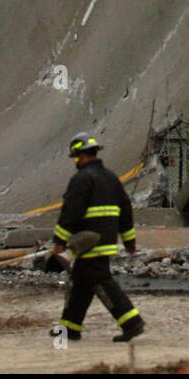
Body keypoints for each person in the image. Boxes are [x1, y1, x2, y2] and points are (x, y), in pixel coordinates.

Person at [47, 132, 145, 342]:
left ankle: (132, 322)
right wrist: (129, 241)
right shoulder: (111, 178)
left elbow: (70, 214)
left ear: (81, 155)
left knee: (102, 281)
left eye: (76, 157)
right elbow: (126, 210)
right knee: (81, 283)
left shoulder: (81, 179)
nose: (75, 162)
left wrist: (59, 243)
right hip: (105, 241)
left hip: (88, 243)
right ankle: (70, 328)